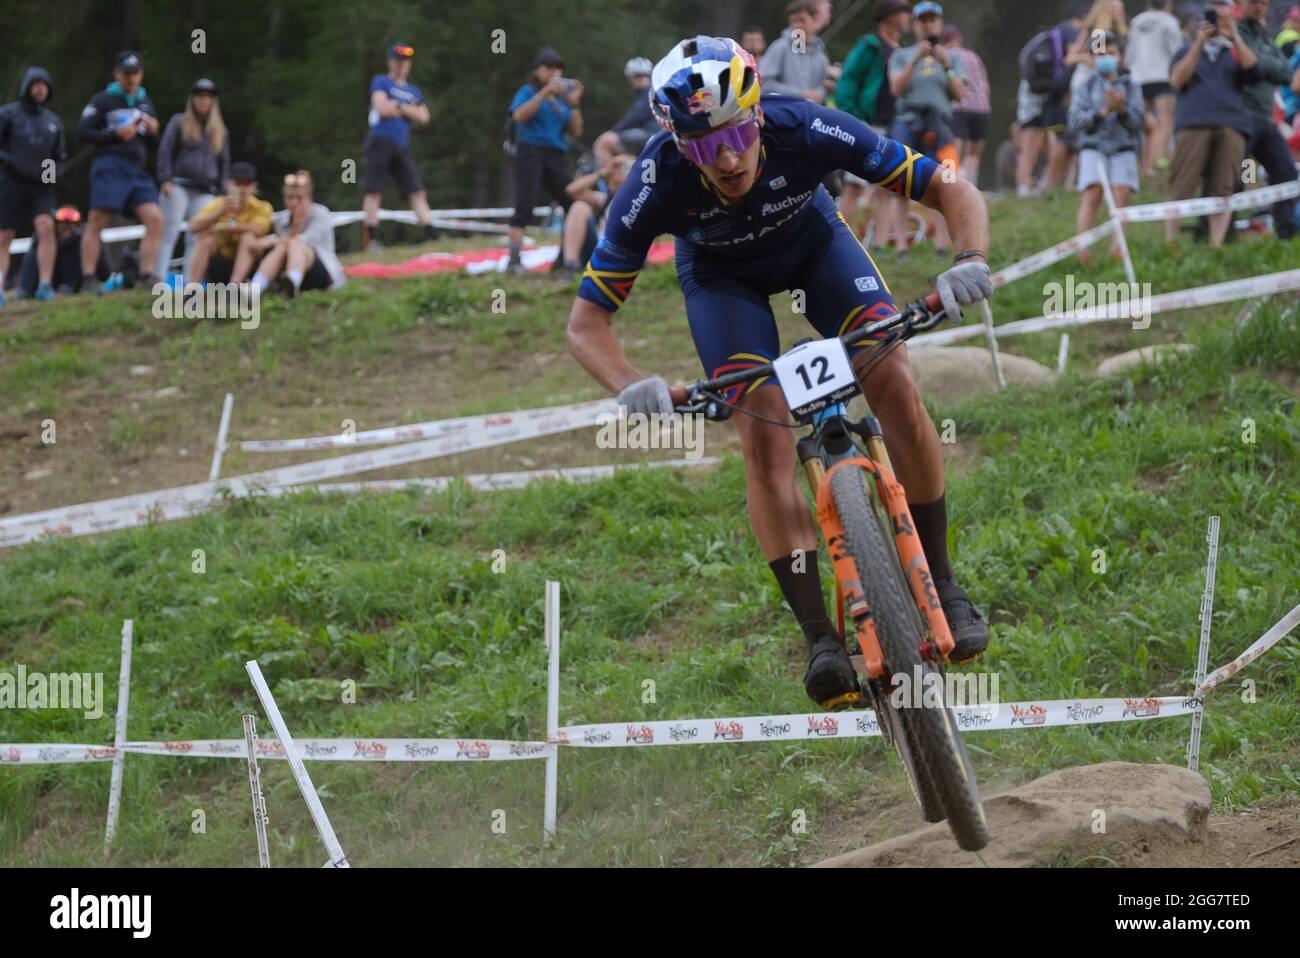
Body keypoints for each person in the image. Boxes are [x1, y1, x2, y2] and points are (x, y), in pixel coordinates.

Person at [566, 36, 994, 708]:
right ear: (679, 142)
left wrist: (969, 256)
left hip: (816, 247)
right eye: (704, 147)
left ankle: (941, 579)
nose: (728, 158)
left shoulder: (807, 126)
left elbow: (946, 186)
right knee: (761, 435)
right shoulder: (652, 183)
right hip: (720, 280)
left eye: (737, 133)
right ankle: (820, 637)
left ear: (758, 113)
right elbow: (585, 325)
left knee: (895, 382)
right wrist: (631, 385)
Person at [1164, 1, 1259, 249]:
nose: (1217, 20)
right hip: (1193, 123)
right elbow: (1176, 80)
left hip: (1232, 125)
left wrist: (1235, 36)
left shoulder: (1235, 51)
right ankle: (1170, 245)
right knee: (1182, 183)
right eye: (1212, 15)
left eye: (1222, 14)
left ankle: (1215, 246)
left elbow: (1253, 70)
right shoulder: (1186, 48)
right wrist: (1198, 43)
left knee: (1224, 187)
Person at [76, 51, 163, 293]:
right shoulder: (103, 100)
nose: (131, 79)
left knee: (155, 218)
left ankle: (146, 275)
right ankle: (88, 277)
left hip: (137, 170)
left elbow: (156, 146)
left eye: (135, 74)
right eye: (126, 74)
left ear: (141, 75)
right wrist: (114, 134)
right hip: (110, 164)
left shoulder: (146, 103)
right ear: (117, 74)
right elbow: (82, 133)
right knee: (98, 218)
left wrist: (154, 131)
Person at [888, 1, 965, 253]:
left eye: (932, 20)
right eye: (923, 20)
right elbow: (896, 89)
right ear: (914, 25)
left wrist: (947, 66)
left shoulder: (952, 57)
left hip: (939, 125)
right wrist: (914, 60)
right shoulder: (901, 54)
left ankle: (942, 243)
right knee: (899, 182)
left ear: (940, 24)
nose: (928, 24)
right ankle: (900, 244)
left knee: (943, 180)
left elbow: (961, 94)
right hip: (907, 121)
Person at [837, 0, 912, 249]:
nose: (908, 15)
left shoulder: (903, 50)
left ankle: (878, 246)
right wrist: (854, 116)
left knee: (888, 187)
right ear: (888, 15)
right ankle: (839, 242)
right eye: (903, 10)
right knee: (853, 186)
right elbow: (847, 80)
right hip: (866, 123)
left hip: (894, 125)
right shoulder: (869, 46)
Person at [506, 47, 583, 275]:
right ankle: (513, 260)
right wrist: (544, 94)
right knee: (525, 205)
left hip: (555, 154)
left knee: (571, 203)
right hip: (530, 151)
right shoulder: (528, 91)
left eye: (557, 68)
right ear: (538, 70)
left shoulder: (561, 102)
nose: (554, 72)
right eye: (548, 67)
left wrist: (574, 103)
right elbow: (518, 116)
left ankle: (565, 256)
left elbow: (576, 131)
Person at [1068, 33, 1144, 260]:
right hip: (1093, 146)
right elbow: (1075, 121)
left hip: (1124, 148)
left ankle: (1118, 248)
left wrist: (1121, 110)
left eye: (1111, 53)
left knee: (1122, 194)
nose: (1106, 58)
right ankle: (1084, 249)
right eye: (1101, 53)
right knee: (1092, 193)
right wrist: (1102, 113)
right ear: (1091, 57)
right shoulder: (1085, 85)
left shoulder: (1132, 85)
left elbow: (1139, 121)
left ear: (1120, 56)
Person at [361, 43, 439, 251]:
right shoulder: (381, 81)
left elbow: (424, 117)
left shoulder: (414, 91)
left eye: (405, 62)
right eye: (398, 61)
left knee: (416, 190)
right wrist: (407, 109)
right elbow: (381, 107)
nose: (401, 66)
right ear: (390, 61)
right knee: (374, 190)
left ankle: (432, 234)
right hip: (380, 141)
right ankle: (372, 237)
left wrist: (397, 105)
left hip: (401, 145)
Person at [0, 67, 65, 306]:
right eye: (36, 84)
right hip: (11, 182)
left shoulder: (53, 122)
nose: (40, 89)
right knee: (4, 235)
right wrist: (10, 162)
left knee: (46, 227)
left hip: (41, 185)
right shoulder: (8, 114)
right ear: (27, 86)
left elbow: (59, 156)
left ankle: (45, 285)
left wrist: (52, 173)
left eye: (44, 85)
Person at [155, 78, 230, 279]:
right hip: (179, 185)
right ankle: (158, 279)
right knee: (168, 233)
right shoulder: (179, 121)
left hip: (206, 189)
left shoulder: (220, 130)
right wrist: (165, 178)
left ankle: (191, 284)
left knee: (196, 237)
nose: (204, 101)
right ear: (193, 99)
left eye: (208, 98)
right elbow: (166, 151)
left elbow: (224, 163)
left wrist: (223, 193)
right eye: (200, 97)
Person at [1238, 0, 1298, 240]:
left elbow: (1284, 73)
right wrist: (1261, 67)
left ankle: (1286, 232)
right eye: (1254, 2)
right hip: (1241, 120)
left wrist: (1258, 65)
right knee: (1239, 177)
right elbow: (1244, 67)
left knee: (1285, 172)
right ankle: (1227, 232)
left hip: (1267, 120)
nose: (1260, 7)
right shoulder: (1236, 33)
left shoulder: (1264, 36)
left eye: (1264, 3)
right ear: (1241, 4)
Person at [1016, 4, 1087, 196]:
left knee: (1048, 141)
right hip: (1050, 93)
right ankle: (1028, 189)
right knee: (1038, 140)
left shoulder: (1067, 29)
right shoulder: (1076, 31)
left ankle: (1040, 187)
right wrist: (1086, 57)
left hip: (1049, 91)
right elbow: (1072, 59)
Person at [250, 170, 346, 296]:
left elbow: (306, 240)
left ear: (308, 198)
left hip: (321, 273)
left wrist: (296, 224)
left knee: (295, 243)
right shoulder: (282, 220)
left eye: (299, 198)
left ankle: (291, 280)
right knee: (282, 247)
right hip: (291, 268)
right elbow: (284, 244)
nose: (294, 203)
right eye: (290, 198)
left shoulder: (321, 214)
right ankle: (256, 287)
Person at [185, 161, 272, 285]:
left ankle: (234, 287)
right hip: (218, 265)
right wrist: (220, 212)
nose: (241, 189)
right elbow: (193, 227)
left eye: (246, 184)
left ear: (253, 186)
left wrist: (223, 228)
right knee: (205, 238)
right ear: (228, 184)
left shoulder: (261, 207)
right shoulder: (219, 204)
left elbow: (258, 228)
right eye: (237, 183)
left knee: (248, 237)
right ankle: (192, 289)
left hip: (249, 265)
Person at [1128, 1, 1183, 173]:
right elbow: (1177, 51)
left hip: (1138, 78)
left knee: (1143, 125)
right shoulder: (1170, 22)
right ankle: (1153, 167)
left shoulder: (1136, 22)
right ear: (1167, 4)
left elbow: (1130, 53)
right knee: (1164, 124)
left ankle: (1141, 166)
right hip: (1162, 77)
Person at [556, 153, 633, 273]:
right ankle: (571, 266)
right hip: (599, 251)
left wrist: (630, 165)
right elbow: (571, 190)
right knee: (579, 207)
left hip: (625, 254)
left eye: (623, 168)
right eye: (616, 168)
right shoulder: (604, 198)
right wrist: (603, 172)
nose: (618, 171)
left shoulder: (638, 197)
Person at [15, 206, 107, 296]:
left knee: (76, 251)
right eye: (62, 224)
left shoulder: (83, 239)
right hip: (52, 277)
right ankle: (26, 289)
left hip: (74, 279)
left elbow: (103, 267)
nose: (66, 226)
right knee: (33, 253)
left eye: (70, 224)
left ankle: (67, 287)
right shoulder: (45, 239)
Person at [941, 26, 990, 183]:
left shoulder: (945, 56)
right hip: (981, 107)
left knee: (954, 147)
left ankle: (951, 181)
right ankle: (970, 183)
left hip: (958, 107)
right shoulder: (973, 56)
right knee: (974, 152)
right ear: (958, 38)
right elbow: (985, 84)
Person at [759, 0, 831, 103]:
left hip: (810, 116)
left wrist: (822, 93)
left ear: (814, 21)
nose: (797, 25)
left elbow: (823, 87)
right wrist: (800, 94)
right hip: (781, 113)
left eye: (802, 20)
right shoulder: (780, 47)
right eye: (793, 21)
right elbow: (763, 83)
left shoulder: (821, 54)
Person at [593, 58, 657, 168]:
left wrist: (614, 131)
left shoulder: (649, 92)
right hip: (654, 135)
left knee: (603, 142)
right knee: (624, 158)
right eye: (638, 76)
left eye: (643, 76)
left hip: (652, 135)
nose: (641, 79)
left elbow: (635, 117)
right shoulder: (650, 92)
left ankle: (612, 183)